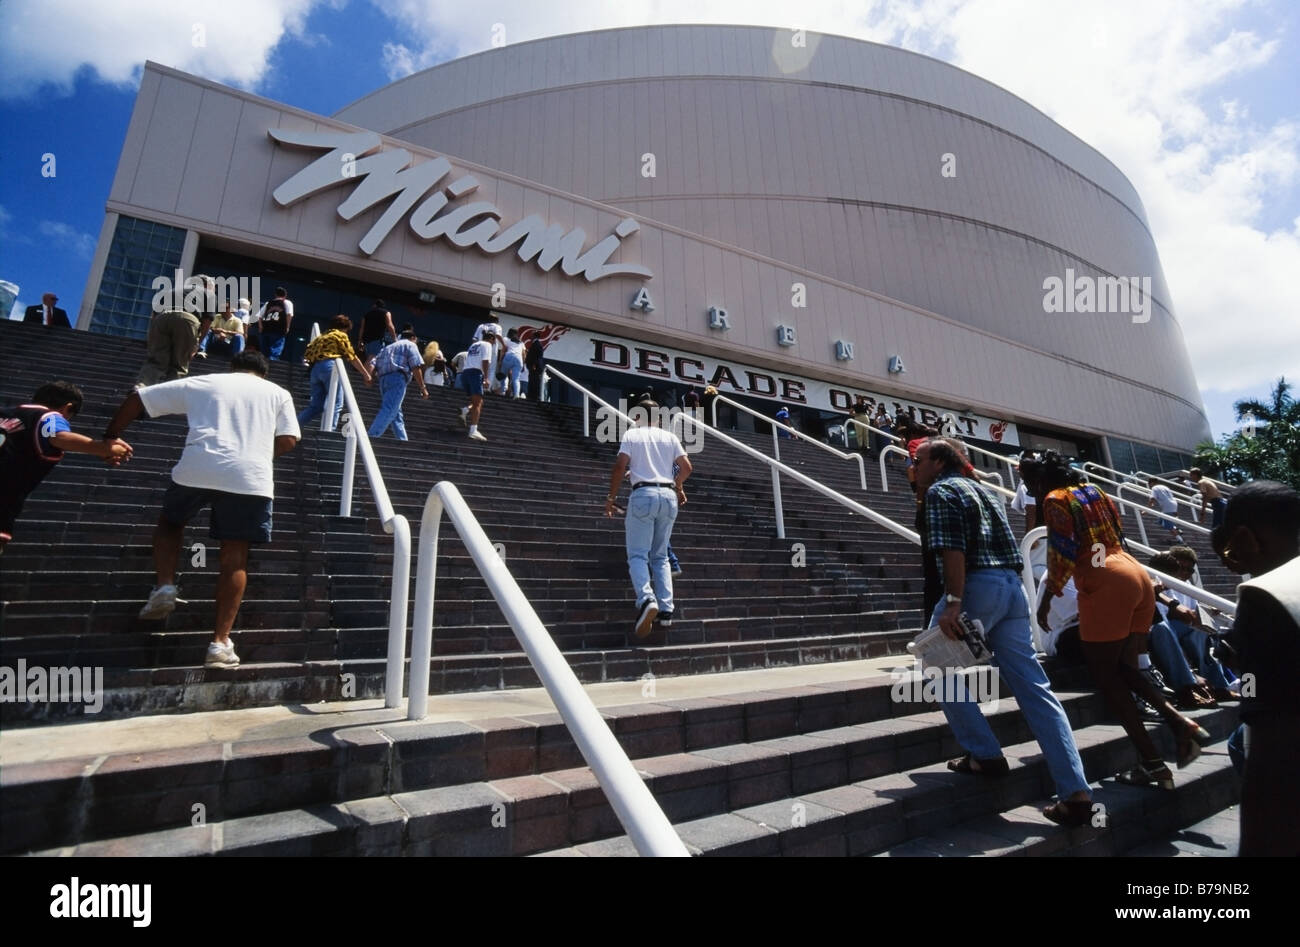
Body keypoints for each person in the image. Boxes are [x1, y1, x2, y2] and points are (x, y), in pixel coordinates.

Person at [914, 438, 1093, 826]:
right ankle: (1075, 790)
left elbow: (953, 550)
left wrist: (954, 600)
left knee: (933, 662)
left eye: (920, 458)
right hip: (1012, 590)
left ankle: (985, 752)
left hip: (976, 586)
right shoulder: (984, 490)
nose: (916, 465)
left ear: (940, 461)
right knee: (1034, 686)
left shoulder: (942, 491)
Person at [102, 350, 300, 668]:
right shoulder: (279, 393)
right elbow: (289, 439)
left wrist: (110, 437)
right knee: (235, 557)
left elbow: (139, 398)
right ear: (263, 373)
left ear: (231, 366)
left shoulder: (206, 382)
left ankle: (165, 585)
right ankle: (219, 644)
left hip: (199, 463)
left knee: (171, 523)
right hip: (250, 476)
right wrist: (258, 455)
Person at [1035, 451, 1208, 794]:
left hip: (1105, 579)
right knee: (1122, 667)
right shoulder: (1094, 491)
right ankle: (1179, 722)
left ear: (1041, 480)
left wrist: (1046, 598)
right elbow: (1115, 533)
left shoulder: (1055, 499)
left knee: (1108, 678)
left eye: (1031, 480)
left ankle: (1153, 762)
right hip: (1132, 571)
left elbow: (1061, 553)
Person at [1212, 480, 1300, 856]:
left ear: (1246, 537)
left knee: (1242, 745)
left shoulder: (1264, 596)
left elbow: (1272, 764)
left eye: (1232, 547)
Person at [1, 382, 133, 553]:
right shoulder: (49, 416)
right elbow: (57, 436)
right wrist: (106, 448)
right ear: (67, 407)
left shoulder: (5, 413)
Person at [604, 397, 693, 639]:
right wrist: (678, 485)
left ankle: (646, 599)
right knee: (661, 556)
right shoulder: (669, 437)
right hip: (668, 496)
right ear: (659, 418)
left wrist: (611, 498)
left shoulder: (633, 435)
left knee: (637, 554)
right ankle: (666, 610)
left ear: (638, 417)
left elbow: (619, 466)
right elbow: (686, 468)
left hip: (643, 495)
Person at [136, 275, 215, 388]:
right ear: (206, 285)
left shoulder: (173, 290)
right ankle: (169, 393)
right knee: (179, 365)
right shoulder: (208, 294)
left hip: (162, 318)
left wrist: (152, 336)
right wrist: (196, 345)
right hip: (187, 319)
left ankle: (141, 387)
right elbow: (207, 322)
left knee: (155, 361)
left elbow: (154, 314)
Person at [299, 315, 372, 430]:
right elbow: (351, 357)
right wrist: (366, 374)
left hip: (315, 370)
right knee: (336, 403)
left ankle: (294, 426)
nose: (347, 332)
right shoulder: (340, 335)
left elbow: (307, 353)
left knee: (315, 406)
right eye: (347, 330)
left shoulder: (321, 337)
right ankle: (329, 430)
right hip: (330, 368)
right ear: (344, 328)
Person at [368, 325, 428, 440]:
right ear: (413, 338)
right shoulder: (410, 345)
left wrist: (369, 377)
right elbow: (416, 367)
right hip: (397, 378)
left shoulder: (388, 347)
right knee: (389, 408)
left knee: (396, 412)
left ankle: (402, 440)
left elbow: (373, 362)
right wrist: (423, 387)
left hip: (383, 380)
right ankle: (371, 437)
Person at [458, 329, 495, 442]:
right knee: (478, 403)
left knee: (478, 401)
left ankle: (465, 410)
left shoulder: (474, 345)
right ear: (492, 339)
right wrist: (486, 377)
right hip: (475, 373)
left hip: (465, 373)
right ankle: (473, 430)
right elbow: (485, 361)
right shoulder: (488, 345)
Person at [251, 286, 293, 360]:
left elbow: (259, 316)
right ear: (285, 295)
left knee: (264, 351)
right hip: (278, 330)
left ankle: (262, 366)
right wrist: (287, 327)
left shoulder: (268, 303)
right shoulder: (287, 302)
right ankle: (272, 366)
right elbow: (289, 315)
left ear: (275, 295)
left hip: (266, 329)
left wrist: (261, 327)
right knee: (275, 350)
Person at [1146, 477, 1185, 542]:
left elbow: (1152, 498)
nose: (1149, 485)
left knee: (1168, 525)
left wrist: (1146, 510)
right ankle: (1177, 529)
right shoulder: (1164, 487)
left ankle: (1180, 540)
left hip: (1167, 506)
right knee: (1160, 521)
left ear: (1152, 483)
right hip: (1173, 504)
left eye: (1149, 484)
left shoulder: (1154, 488)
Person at [500, 328, 526, 399]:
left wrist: (500, 361)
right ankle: (516, 395)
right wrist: (523, 365)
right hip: (518, 358)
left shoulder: (506, 339)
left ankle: (503, 391)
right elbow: (524, 354)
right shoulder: (521, 343)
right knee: (516, 379)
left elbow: (503, 350)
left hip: (509, 356)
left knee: (503, 375)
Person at [524, 334, 546, 401]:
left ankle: (534, 396)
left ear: (535, 337)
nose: (531, 336)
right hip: (532, 366)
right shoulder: (535, 344)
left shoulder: (537, 344)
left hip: (535, 367)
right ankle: (531, 395)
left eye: (532, 335)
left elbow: (538, 356)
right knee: (532, 380)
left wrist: (534, 364)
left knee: (535, 381)